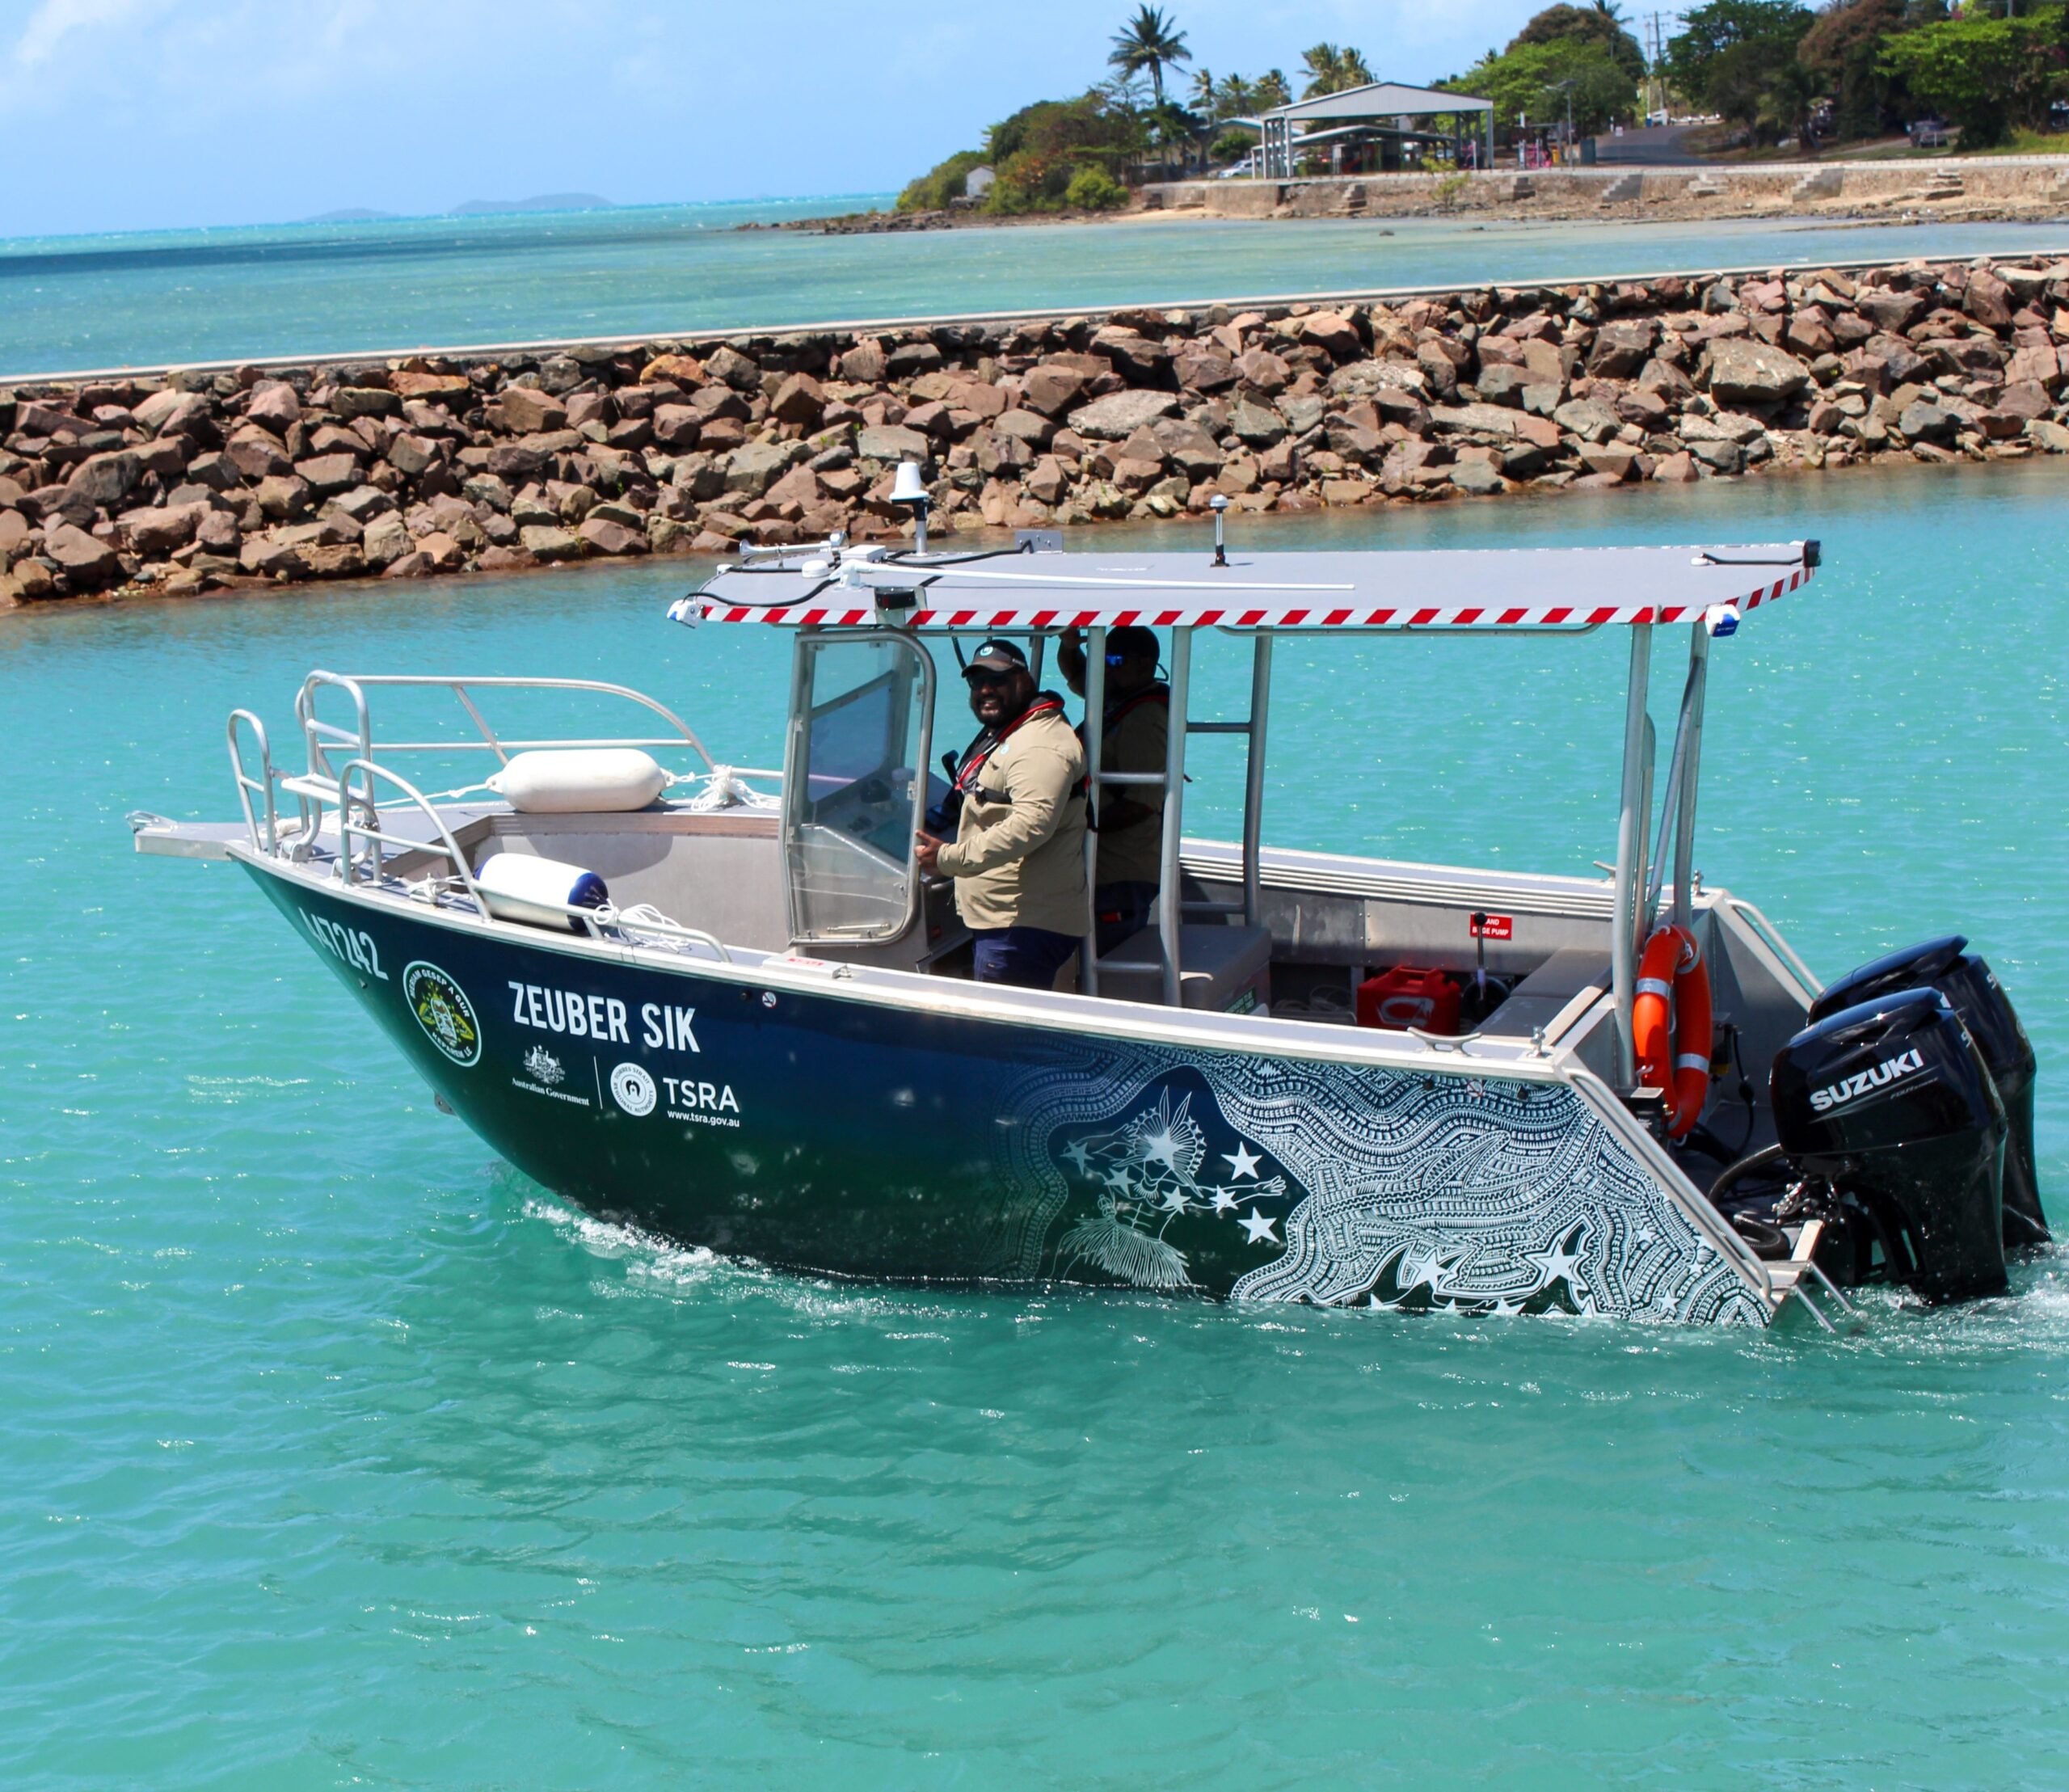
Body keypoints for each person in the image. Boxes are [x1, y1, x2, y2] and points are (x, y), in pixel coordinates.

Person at [916, 639, 1088, 989]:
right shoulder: (1016, 731)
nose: (985, 690)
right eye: (977, 683)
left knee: (1006, 1036)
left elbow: (1032, 824)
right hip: (1008, 921)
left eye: (998, 680)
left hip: (1020, 925)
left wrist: (948, 858)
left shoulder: (1039, 746)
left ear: (1025, 679)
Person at [1058, 625, 1168, 955]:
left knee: (1105, 957)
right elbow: (1078, 673)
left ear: (1145, 663)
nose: (1108, 665)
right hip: (1101, 864)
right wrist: (1068, 645)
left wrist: (1081, 829)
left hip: (1119, 869)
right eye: (1104, 658)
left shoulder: (1145, 718)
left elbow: (1142, 802)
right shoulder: (1117, 696)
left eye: (1116, 658)